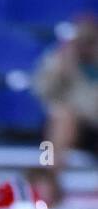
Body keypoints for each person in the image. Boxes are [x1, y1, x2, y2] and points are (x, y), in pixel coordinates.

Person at [33, 14, 98, 167]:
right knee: (62, 117)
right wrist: (63, 70)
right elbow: (41, 92)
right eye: (81, 41)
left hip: (94, 125)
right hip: (66, 126)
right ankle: (49, 171)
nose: (85, 47)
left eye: (90, 41)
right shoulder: (57, 61)